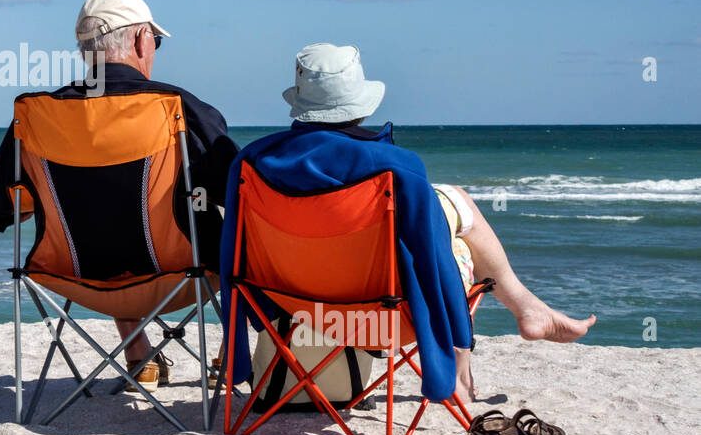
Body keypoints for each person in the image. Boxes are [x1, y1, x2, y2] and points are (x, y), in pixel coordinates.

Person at [220, 43, 595, 405]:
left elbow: (233, 250)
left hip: (291, 306)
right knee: (456, 229)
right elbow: (434, 263)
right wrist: (458, 346)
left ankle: (528, 310)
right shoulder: (395, 165)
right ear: (360, 103)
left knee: (447, 210)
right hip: (384, 317)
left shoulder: (252, 162)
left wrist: (236, 338)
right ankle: (524, 310)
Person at [0, 0, 239, 390]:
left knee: (104, 215)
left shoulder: (39, 115)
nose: (155, 48)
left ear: (85, 50)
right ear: (138, 39)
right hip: (186, 275)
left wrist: (34, 200)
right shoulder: (176, 107)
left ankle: (139, 356)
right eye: (157, 40)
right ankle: (237, 353)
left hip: (77, 277)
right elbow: (239, 194)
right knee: (236, 223)